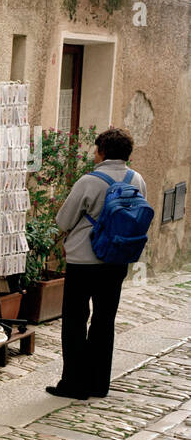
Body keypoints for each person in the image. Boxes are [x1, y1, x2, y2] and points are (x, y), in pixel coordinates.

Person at [49, 127, 148, 399]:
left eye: (96, 149)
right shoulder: (136, 179)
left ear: (102, 151)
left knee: (75, 320)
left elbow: (64, 221)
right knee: (105, 321)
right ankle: (98, 383)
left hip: (84, 260)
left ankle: (73, 384)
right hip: (116, 260)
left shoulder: (89, 181)